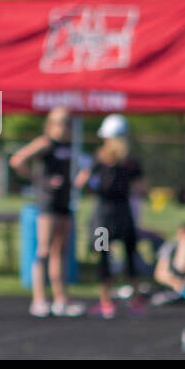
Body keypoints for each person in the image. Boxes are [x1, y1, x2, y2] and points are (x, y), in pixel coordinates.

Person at [10, 107, 85, 317]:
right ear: (51, 124)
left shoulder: (69, 145)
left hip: (65, 202)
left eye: (68, 123)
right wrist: (40, 181)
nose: (65, 127)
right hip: (48, 203)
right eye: (61, 122)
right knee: (43, 250)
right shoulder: (45, 143)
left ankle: (60, 299)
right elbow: (17, 160)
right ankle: (39, 299)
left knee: (60, 251)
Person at [74, 114, 146, 318]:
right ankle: (135, 300)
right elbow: (140, 188)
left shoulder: (99, 160)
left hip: (104, 214)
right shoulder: (131, 163)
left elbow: (81, 182)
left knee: (104, 257)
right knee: (130, 255)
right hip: (124, 213)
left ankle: (106, 303)